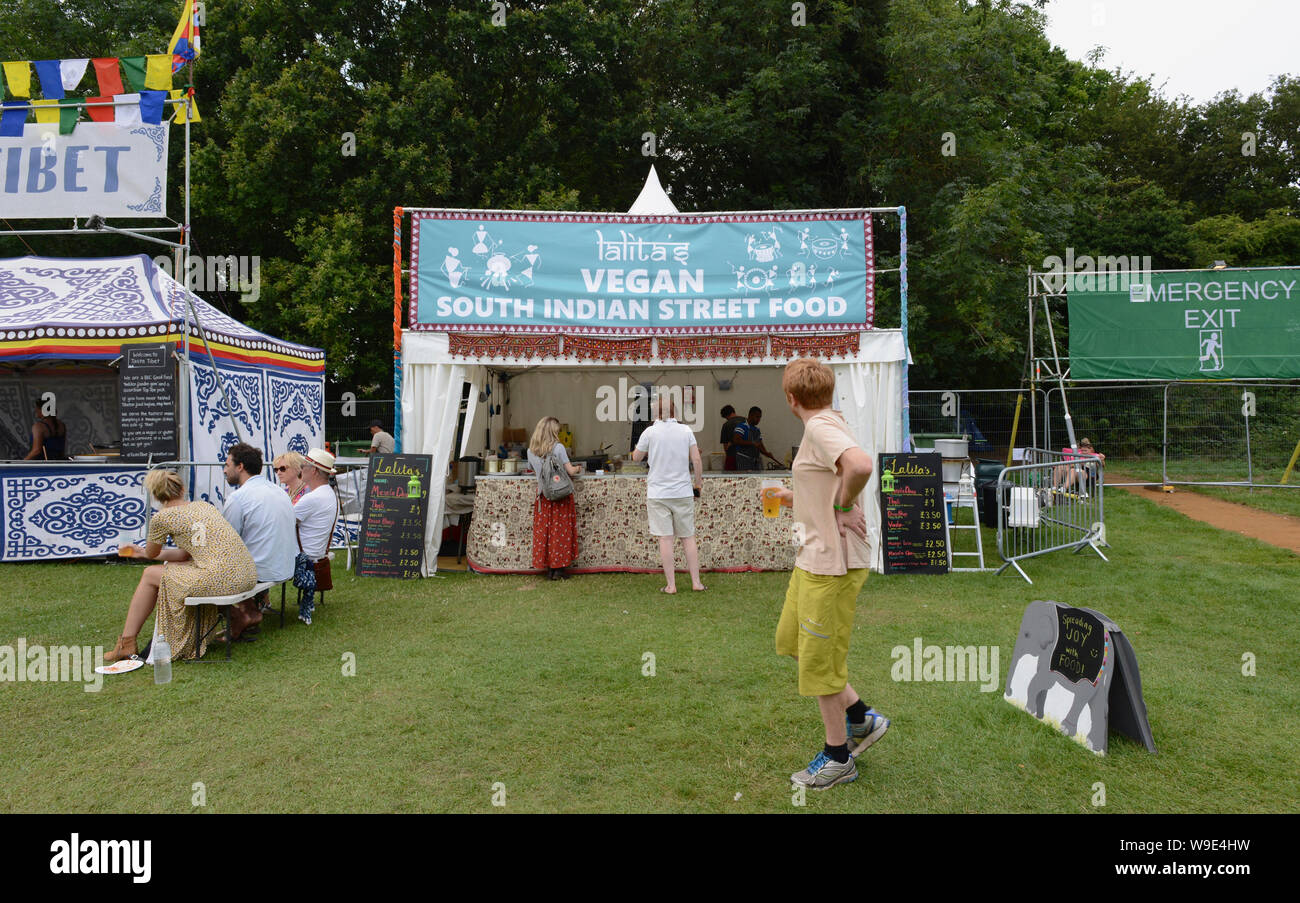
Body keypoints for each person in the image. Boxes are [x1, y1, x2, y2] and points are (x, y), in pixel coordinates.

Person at [770, 358, 890, 790]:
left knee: (820, 663)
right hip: (813, 559)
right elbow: (833, 477)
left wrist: (842, 507)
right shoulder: (823, 424)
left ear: (790, 398)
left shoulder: (820, 426)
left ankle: (839, 757)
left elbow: (858, 466)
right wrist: (793, 495)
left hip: (832, 564)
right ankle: (861, 717)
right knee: (791, 640)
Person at [103, 469, 258, 663]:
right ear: (182, 489)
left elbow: (152, 553)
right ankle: (236, 616)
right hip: (246, 574)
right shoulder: (203, 507)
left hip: (222, 577)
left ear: (156, 495)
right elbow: (185, 554)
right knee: (186, 570)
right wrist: (142, 552)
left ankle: (127, 642)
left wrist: (141, 552)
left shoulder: (163, 517)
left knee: (149, 574)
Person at [632, 394, 705, 594]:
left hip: (658, 492)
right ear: (675, 412)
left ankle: (671, 585)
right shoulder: (686, 430)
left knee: (666, 539)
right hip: (682, 490)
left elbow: (636, 457)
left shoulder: (649, 432)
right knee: (688, 537)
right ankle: (696, 582)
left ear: (656, 413)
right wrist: (697, 485)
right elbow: (697, 461)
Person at [222, 442, 295, 636]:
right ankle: (249, 609)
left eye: (227, 465)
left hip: (263, 570)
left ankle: (244, 614)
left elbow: (226, 543)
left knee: (204, 571)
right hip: (285, 565)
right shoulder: (279, 491)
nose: (224, 470)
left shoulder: (239, 498)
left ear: (240, 467)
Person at [526, 416, 582, 580]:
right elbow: (570, 471)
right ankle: (559, 569)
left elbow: (531, 470)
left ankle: (549, 568)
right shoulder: (558, 448)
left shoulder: (531, 451)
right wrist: (578, 468)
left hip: (544, 497)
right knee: (560, 533)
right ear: (553, 432)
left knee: (546, 533)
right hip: (560, 496)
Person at [293, 448, 339, 625]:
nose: (300, 470)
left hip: (302, 557)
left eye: (303, 466)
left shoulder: (312, 498)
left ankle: (256, 605)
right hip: (316, 553)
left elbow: (283, 522)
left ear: (313, 471)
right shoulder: (329, 493)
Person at [732, 405, 782, 471]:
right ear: (750, 415)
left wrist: (766, 453)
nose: (759, 419)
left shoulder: (757, 430)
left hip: (755, 462)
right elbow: (736, 441)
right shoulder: (741, 427)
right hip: (743, 461)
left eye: (760, 417)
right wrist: (752, 443)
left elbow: (760, 444)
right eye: (757, 417)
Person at [719, 405, 746, 471]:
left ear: (726, 416)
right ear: (733, 411)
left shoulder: (726, 425)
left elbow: (725, 446)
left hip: (733, 456)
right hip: (747, 457)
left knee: (730, 478)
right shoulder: (746, 421)